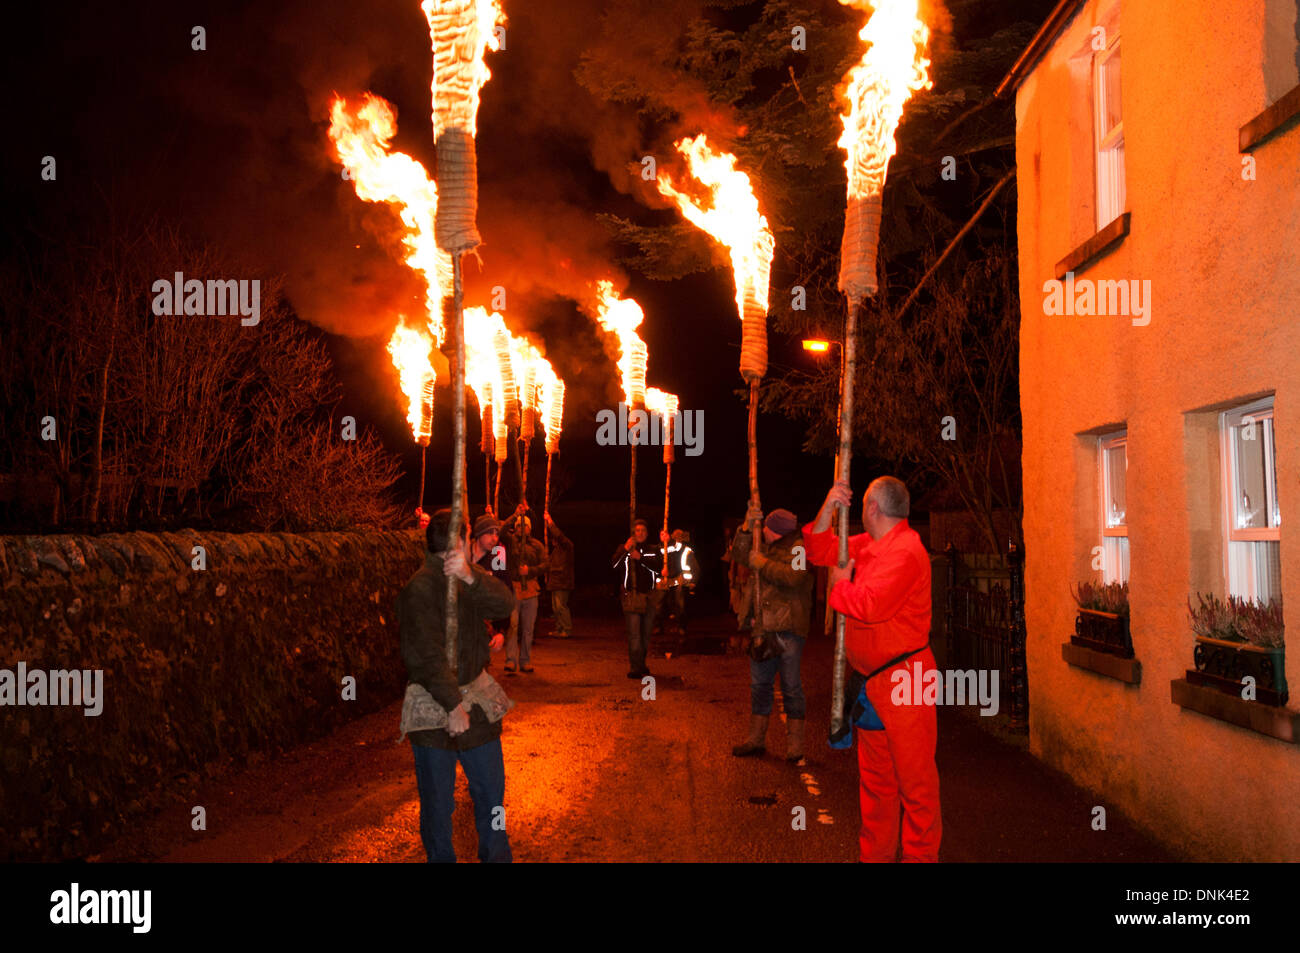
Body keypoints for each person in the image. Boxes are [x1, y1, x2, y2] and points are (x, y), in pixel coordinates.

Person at [802, 476, 939, 863]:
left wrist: (839, 586)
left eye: (862, 505)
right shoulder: (869, 544)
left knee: (916, 788)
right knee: (878, 787)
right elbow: (820, 549)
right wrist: (828, 507)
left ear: (872, 508)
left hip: (906, 683)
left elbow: (870, 604)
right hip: (872, 685)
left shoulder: (907, 551)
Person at [397, 508, 516, 863]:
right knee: (438, 806)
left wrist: (471, 578)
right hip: (435, 710)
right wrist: (452, 705)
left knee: (491, 796)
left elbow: (506, 603)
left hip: (476, 702)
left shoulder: (468, 576)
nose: (470, 543)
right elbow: (425, 655)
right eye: (466, 536)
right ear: (457, 541)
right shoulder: (419, 588)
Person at [728, 507, 813, 762]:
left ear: (776, 530)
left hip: (788, 629)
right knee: (759, 686)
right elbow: (741, 555)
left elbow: (794, 576)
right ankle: (755, 740)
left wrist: (762, 563)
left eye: (765, 526)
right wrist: (745, 528)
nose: (762, 529)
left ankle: (795, 747)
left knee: (791, 687)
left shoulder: (798, 548)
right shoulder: (761, 544)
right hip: (763, 627)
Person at [611, 519, 666, 679]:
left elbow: (658, 566)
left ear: (647, 533)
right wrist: (625, 550)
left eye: (643, 530)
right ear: (633, 533)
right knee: (634, 633)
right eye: (637, 530)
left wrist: (640, 557)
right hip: (632, 596)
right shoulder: (625, 549)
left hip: (649, 596)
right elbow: (614, 565)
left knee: (646, 633)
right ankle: (635, 666)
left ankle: (641, 663)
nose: (640, 533)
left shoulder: (652, 550)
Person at [502, 504, 546, 674]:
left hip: (531, 590)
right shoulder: (510, 541)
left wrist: (531, 571)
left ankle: (525, 661)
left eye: (524, 525)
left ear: (529, 528)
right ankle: (510, 660)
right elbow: (501, 530)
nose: (521, 528)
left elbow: (545, 564)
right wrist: (515, 515)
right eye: (518, 525)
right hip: (513, 589)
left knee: (528, 629)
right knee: (512, 626)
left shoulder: (537, 545)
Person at [657, 528, 699, 638]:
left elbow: (695, 567)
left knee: (680, 603)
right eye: (675, 536)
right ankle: (658, 626)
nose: (678, 538)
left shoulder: (685, 549)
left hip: (681, 581)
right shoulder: (667, 548)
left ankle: (681, 626)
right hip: (667, 580)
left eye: (680, 536)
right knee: (659, 602)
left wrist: (693, 581)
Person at [544, 512, 575, 638]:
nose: (553, 541)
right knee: (555, 607)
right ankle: (559, 628)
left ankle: (566, 629)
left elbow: (559, 535)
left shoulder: (567, 547)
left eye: (554, 539)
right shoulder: (555, 551)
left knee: (561, 606)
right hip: (555, 582)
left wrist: (550, 521)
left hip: (563, 582)